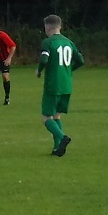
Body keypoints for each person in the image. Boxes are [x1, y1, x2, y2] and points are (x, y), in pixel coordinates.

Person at [36, 14, 83, 156]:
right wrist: (68, 71)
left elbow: (44, 60)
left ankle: (62, 138)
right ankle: (57, 149)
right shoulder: (69, 42)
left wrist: (38, 71)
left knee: (46, 117)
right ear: (60, 27)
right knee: (57, 116)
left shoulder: (48, 42)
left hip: (53, 84)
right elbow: (81, 60)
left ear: (47, 27)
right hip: (67, 85)